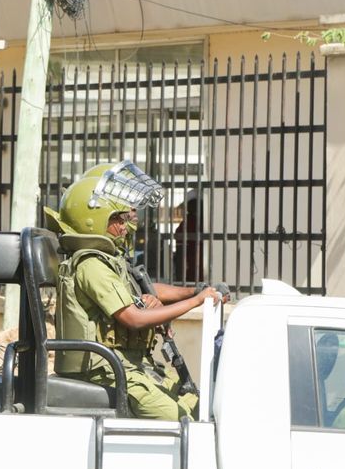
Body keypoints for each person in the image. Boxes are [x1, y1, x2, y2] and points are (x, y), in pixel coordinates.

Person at [47, 161, 224, 421]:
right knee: (177, 418)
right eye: (117, 219)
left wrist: (192, 292)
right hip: (106, 368)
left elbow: (148, 289)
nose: (126, 224)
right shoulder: (91, 265)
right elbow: (133, 318)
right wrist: (196, 301)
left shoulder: (110, 260)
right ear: (92, 220)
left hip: (130, 364)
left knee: (195, 402)